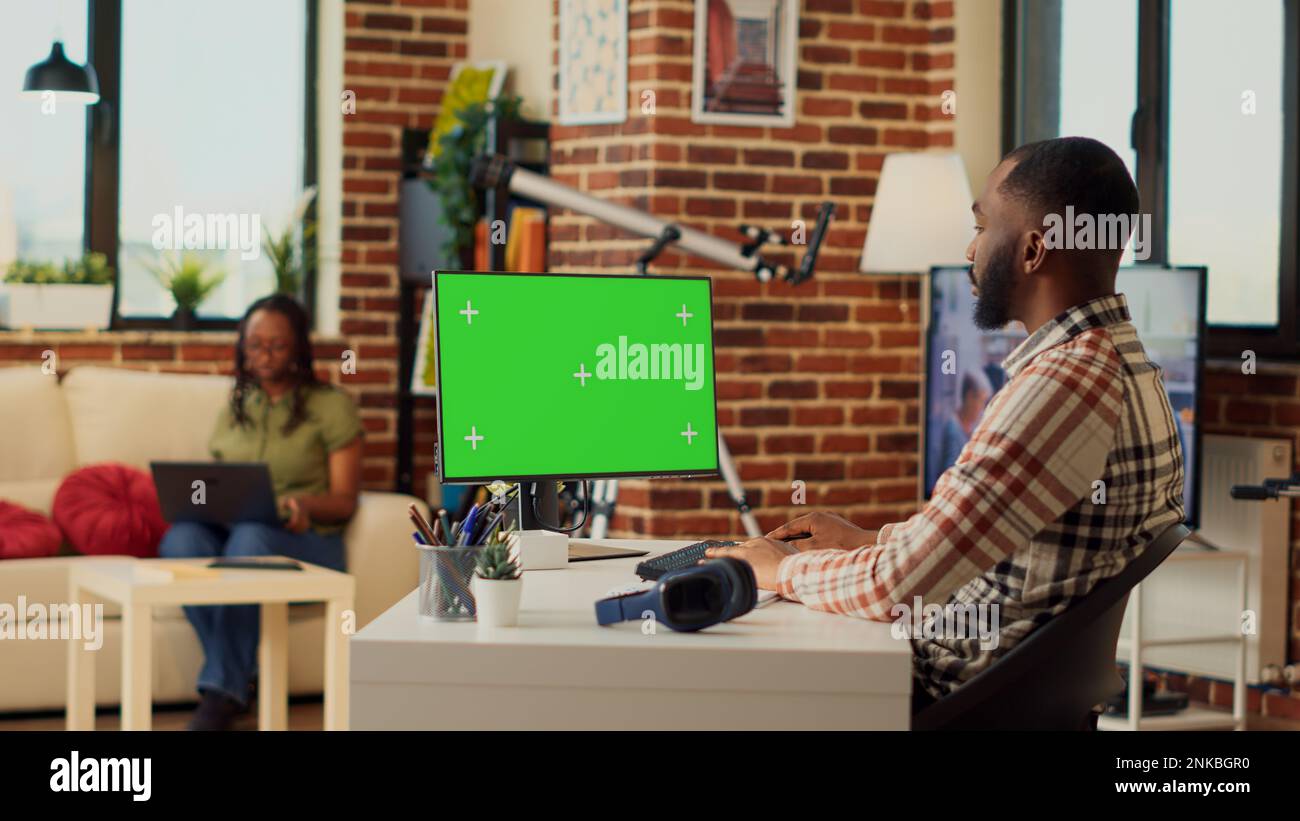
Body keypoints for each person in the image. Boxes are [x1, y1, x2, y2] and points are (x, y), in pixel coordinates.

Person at [707, 136, 1185, 717]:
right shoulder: (1125, 362)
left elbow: (894, 588)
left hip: (942, 693)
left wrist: (781, 569)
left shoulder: (1063, 386)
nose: (970, 248)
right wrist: (868, 540)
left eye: (983, 228)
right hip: (1004, 690)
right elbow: (990, 538)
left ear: (1033, 250)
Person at [159, 294, 363, 730]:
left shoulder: (332, 406)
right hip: (237, 534)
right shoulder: (236, 408)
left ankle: (221, 695)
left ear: (298, 349)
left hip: (308, 544)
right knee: (181, 539)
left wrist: (304, 504)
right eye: (254, 345)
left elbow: (345, 500)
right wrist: (203, 503)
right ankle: (234, 679)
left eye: (277, 345)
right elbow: (218, 484)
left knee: (251, 538)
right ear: (241, 347)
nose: (264, 355)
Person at [936, 368, 992, 474]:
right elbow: (950, 474)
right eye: (981, 401)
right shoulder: (952, 429)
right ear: (970, 397)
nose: (982, 408)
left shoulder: (972, 427)